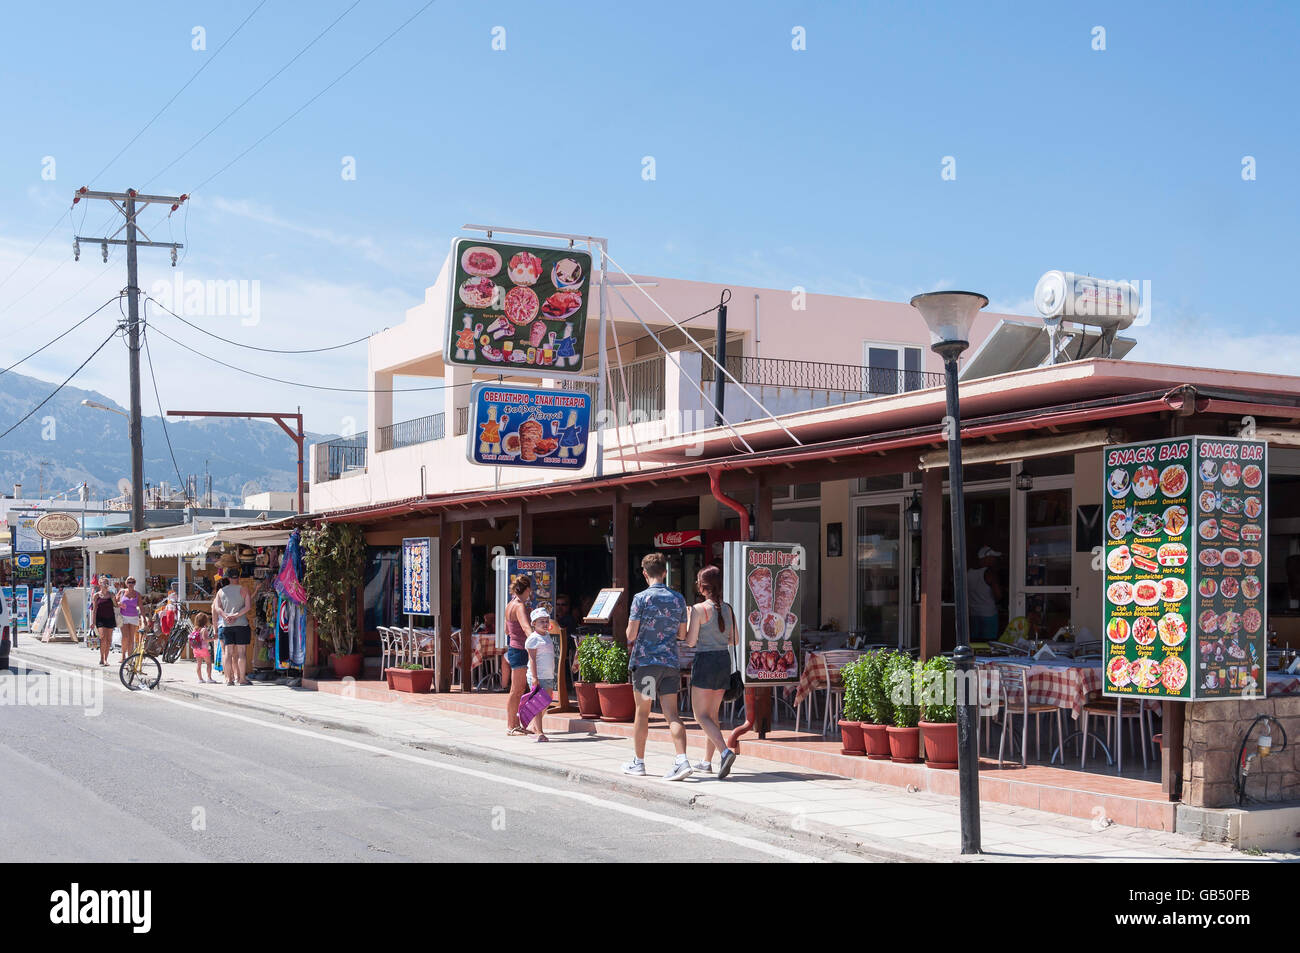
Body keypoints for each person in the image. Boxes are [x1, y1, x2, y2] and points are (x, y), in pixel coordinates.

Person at [623, 552, 692, 781]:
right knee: (672, 714)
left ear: (645, 573)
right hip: (670, 662)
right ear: (665, 572)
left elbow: (631, 634)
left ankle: (639, 762)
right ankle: (682, 760)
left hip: (646, 663)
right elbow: (682, 634)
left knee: (642, 713)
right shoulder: (678, 598)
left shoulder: (641, 598)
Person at [685, 566, 739, 779]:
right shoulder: (728, 609)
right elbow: (735, 640)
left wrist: (690, 619)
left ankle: (725, 752)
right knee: (712, 716)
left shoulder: (698, 609)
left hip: (705, 661)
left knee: (700, 716)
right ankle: (707, 762)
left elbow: (690, 642)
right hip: (723, 661)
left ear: (701, 586)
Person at [503, 576, 533, 735]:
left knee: (518, 689)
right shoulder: (519, 606)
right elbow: (526, 628)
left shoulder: (510, 605)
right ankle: (511, 726)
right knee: (516, 689)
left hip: (514, 648)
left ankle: (515, 724)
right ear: (527, 589)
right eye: (530, 589)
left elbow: (506, 631)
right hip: (520, 650)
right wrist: (537, 641)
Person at [213, 566, 253, 686]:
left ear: (228, 578)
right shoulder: (244, 589)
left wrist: (226, 616)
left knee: (228, 652)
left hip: (226, 625)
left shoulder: (221, 591)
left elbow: (217, 607)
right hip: (241, 624)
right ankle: (241, 679)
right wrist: (236, 615)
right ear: (239, 577)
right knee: (241, 653)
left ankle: (228, 679)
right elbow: (247, 607)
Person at [524, 607, 557, 743]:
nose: (545, 624)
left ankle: (533, 725)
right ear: (533, 623)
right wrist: (535, 677)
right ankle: (539, 732)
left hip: (548, 675)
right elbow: (532, 659)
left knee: (547, 700)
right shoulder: (533, 639)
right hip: (538, 675)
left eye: (546, 621)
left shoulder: (547, 636)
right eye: (541, 621)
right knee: (539, 703)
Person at [968, 546, 1004, 642]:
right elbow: (999, 595)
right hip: (989, 614)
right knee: (989, 644)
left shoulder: (968, 572)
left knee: (975, 643)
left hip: (973, 613)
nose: (995, 560)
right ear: (985, 558)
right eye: (993, 558)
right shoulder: (989, 573)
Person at [115, 576, 142, 659]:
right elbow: (114, 602)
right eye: (129, 582)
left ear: (135, 583)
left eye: (132, 582)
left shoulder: (137, 594)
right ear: (126, 583)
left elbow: (141, 606)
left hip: (134, 617)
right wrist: (119, 604)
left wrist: (143, 617)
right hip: (123, 616)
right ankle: (123, 655)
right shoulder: (122, 592)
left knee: (131, 638)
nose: (131, 584)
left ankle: (129, 657)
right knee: (125, 636)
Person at [91, 579, 117, 666]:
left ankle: (105, 659)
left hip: (110, 618)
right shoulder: (96, 595)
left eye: (107, 583)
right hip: (100, 619)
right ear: (100, 584)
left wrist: (115, 599)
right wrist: (93, 622)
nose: (106, 584)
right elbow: (94, 610)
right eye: (104, 583)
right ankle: (102, 658)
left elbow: (116, 605)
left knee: (109, 640)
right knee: (103, 638)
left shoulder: (111, 594)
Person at [190, 611, 216, 683]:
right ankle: (209, 678)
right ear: (205, 621)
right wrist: (213, 639)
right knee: (208, 663)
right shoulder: (204, 629)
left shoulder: (194, 629)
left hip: (196, 648)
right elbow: (205, 639)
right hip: (203, 649)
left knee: (199, 664)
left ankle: (200, 679)